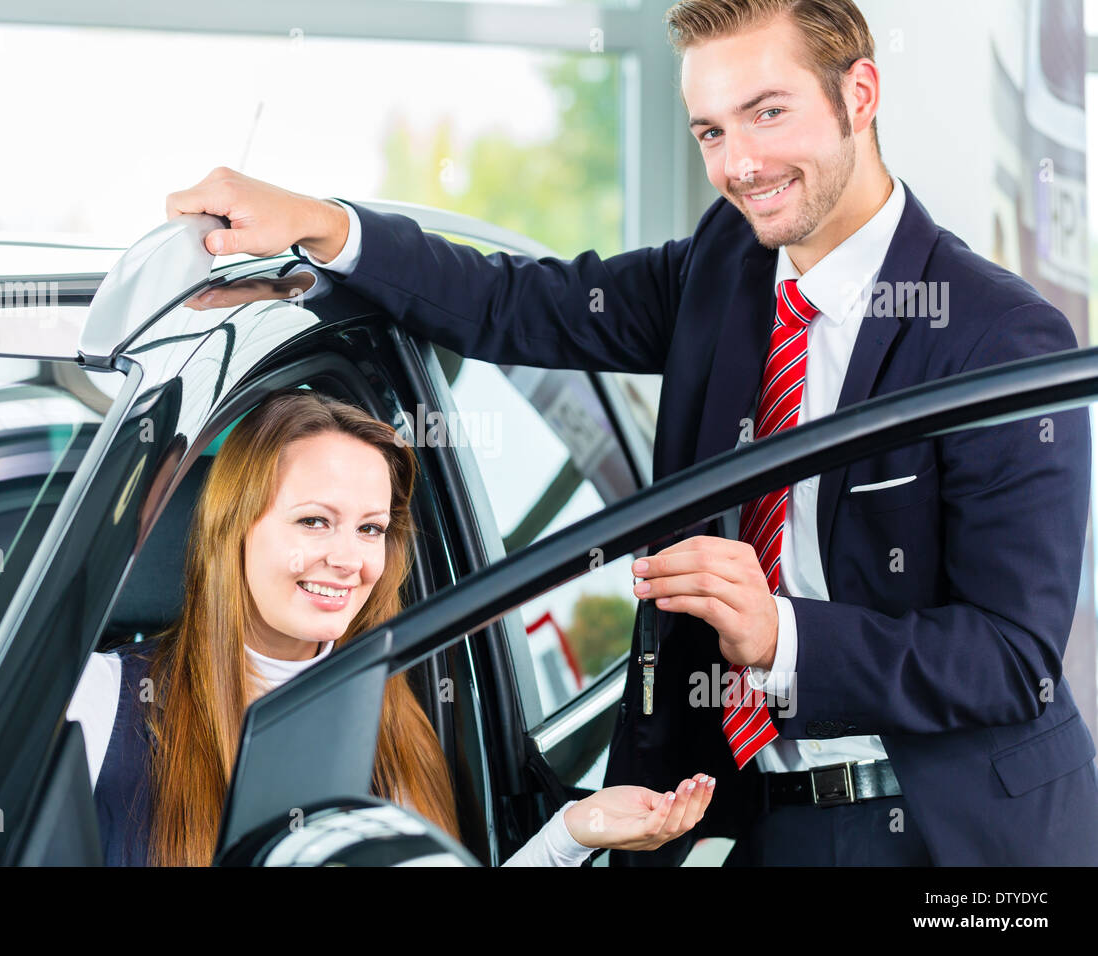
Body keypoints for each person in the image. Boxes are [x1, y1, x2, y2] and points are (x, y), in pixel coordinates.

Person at [163, 0, 1098, 865]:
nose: (739, 165)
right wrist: (327, 227)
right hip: (768, 826)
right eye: (710, 131)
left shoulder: (1000, 338)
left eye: (767, 113)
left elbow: (1012, 661)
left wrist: (783, 636)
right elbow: (516, 304)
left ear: (860, 92)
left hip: (962, 837)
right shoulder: (724, 266)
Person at [0, 388, 715, 866]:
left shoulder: (399, 714)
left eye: (369, 529)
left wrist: (574, 834)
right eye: (313, 522)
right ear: (234, 531)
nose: (347, 561)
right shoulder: (108, 694)